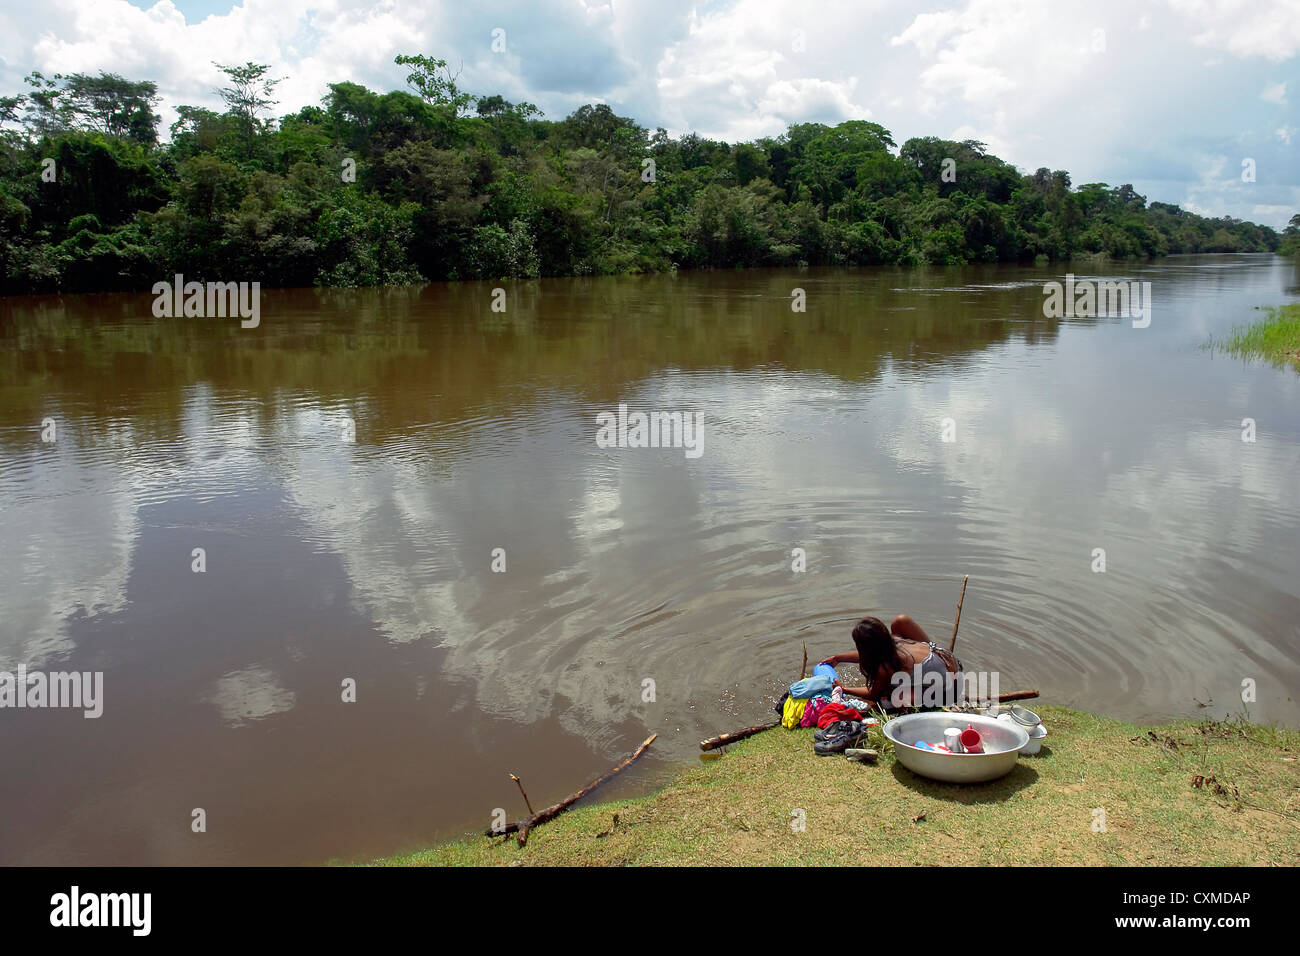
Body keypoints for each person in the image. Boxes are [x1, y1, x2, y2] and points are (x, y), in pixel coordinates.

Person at [820, 615, 961, 708]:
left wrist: (843, 688)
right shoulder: (894, 641)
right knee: (900, 620)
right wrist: (838, 658)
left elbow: (872, 693)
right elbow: (869, 654)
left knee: (890, 696)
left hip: (950, 690)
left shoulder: (885, 667)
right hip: (951, 663)